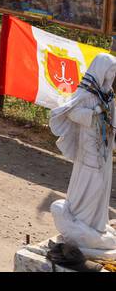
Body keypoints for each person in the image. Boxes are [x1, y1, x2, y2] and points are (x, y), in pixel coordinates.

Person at [50, 52, 116, 256]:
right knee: (91, 185)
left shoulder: (108, 94)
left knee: (102, 186)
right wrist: (93, 113)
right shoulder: (87, 93)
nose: (113, 76)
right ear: (102, 71)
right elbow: (70, 112)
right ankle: (81, 220)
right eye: (112, 71)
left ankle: (96, 225)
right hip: (89, 149)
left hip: (104, 149)